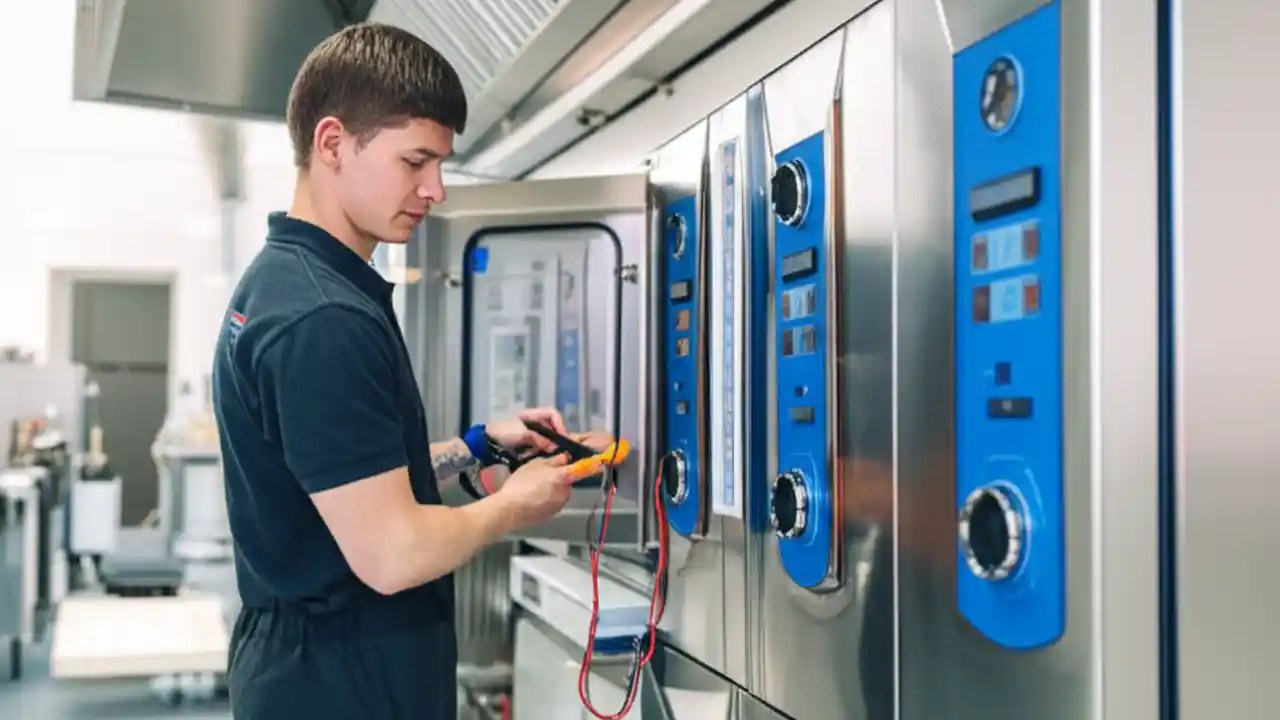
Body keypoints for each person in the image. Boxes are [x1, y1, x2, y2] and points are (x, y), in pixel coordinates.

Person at [210, 22, 610, 719]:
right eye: (415, 161)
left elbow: (348, 480)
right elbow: (391, 552)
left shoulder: (295, 284)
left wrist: (481, 446)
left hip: (319, 664)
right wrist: (513, 505)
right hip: (342, 682)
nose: (437, 190)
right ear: (332, 143)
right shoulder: (321, 319)